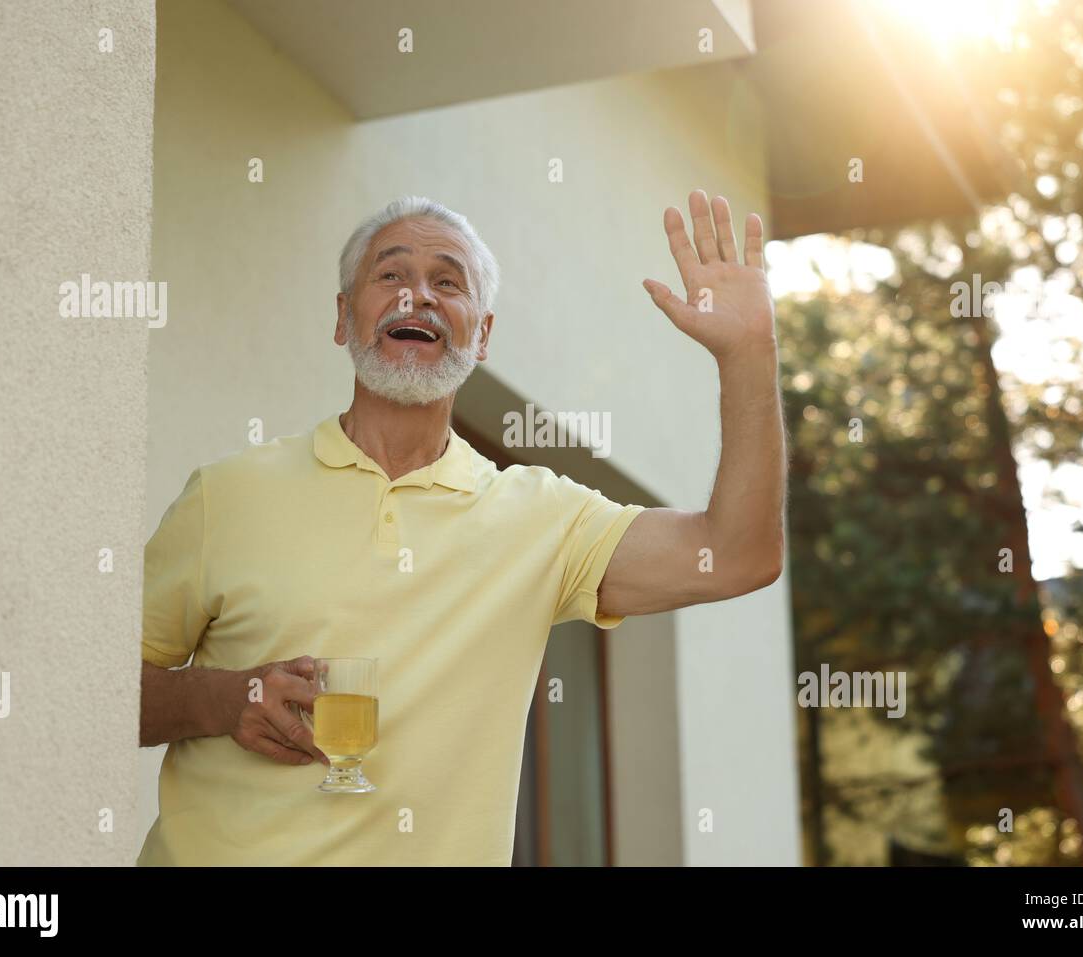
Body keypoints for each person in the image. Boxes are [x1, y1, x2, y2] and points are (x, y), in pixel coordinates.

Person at [137, 191, 786, 865]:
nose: (417, 295)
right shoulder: (229, 493)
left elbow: (737, 554)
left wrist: (749, 354)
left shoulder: (540, 518)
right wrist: (218, 698)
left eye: (448, 281)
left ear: (482, 336)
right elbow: (101, 688)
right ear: (342, 317)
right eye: (390, 275)